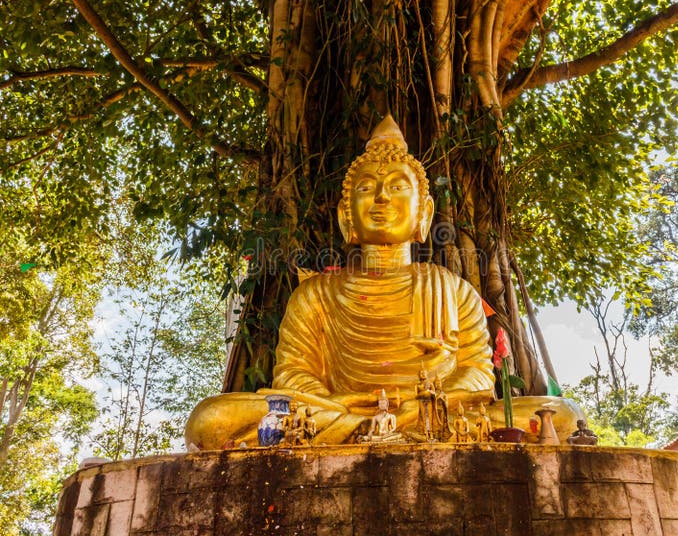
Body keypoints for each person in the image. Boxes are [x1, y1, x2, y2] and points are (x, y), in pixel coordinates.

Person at [184, 115, 583, 449]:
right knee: (211, 419)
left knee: (562, 416)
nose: (381, 198)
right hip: (338, 411)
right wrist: (348, 404)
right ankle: (375, 429)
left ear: (424, 213)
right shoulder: (315, 295)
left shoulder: (454, 290)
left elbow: (478, 375)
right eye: (366, 188)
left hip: (430, 413)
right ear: (346, 216)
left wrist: (415, 406)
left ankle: (381, 430)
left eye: (397, 186)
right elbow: (292, 377)